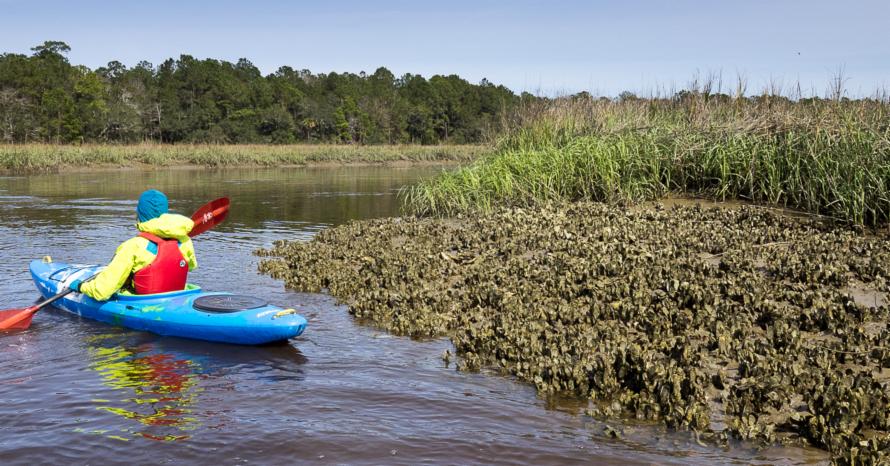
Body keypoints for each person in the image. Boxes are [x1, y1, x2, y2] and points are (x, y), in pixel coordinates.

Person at [69, 190, 198, 301]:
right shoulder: (185, 241)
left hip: (141, 302)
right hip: (177, 297)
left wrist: (81, 287)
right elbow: (190, 267)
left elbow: (102, 291)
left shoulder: (133, 246)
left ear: (140, 215)